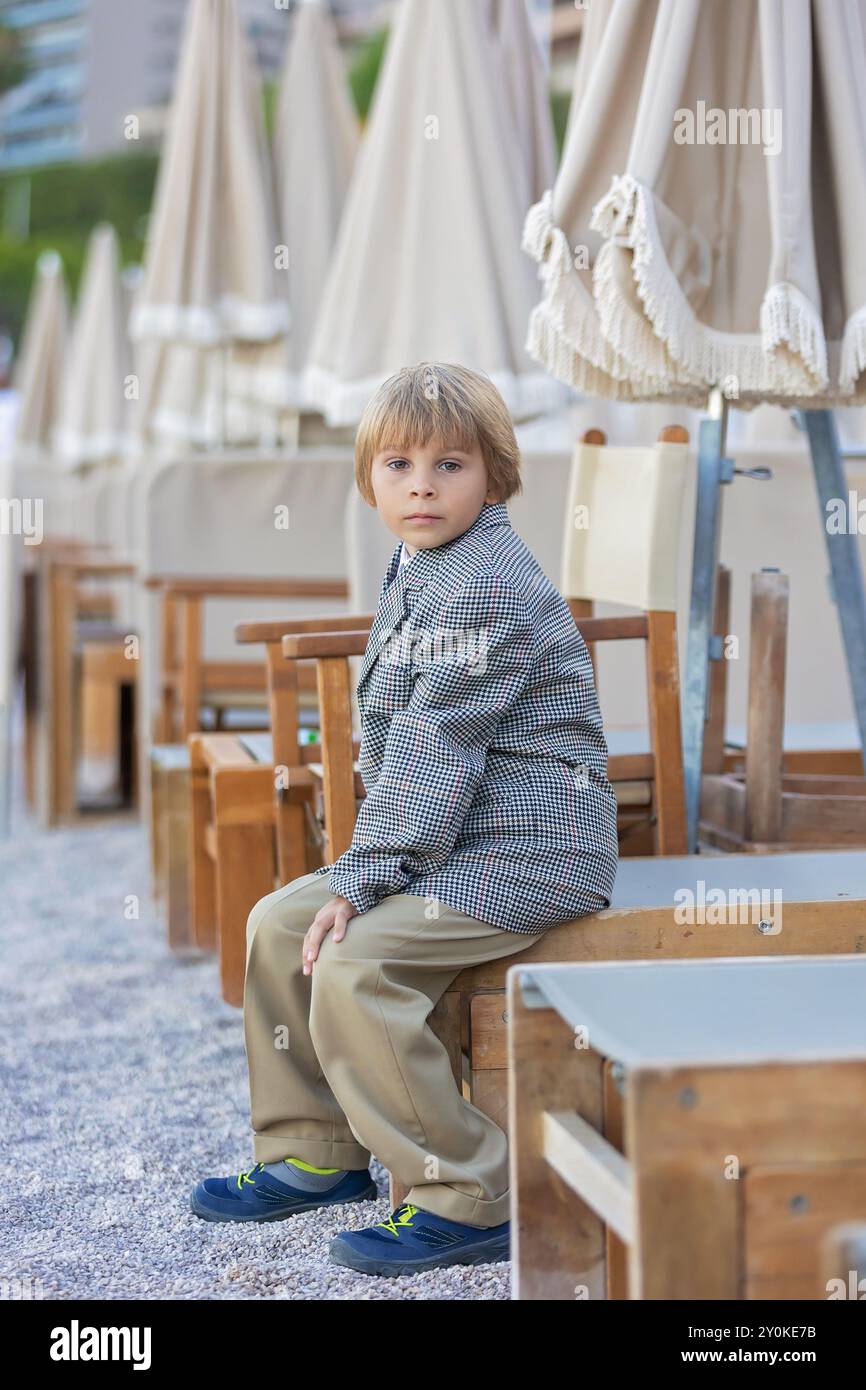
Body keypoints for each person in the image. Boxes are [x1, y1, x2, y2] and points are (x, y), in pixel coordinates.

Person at [190, 362, 619, 1277]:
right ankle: (317, 1150)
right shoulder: (421, 559)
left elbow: (437, 748)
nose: (421, 484)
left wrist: (362, 877)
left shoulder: (487, 587)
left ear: (495, 477)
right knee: (275, 925)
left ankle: (470, 1190)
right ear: (369, 481)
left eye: (449, 465)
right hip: (452, 842)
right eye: (397, 464)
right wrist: (358, 875)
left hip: (526, 850)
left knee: (355, 965)